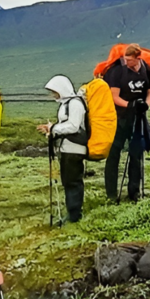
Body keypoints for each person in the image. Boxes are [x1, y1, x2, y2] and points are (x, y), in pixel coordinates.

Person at [103, 44, 150, 202]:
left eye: (130, 60)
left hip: (138, 118)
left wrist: (146, 104)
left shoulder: (147, 69)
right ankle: (111, 194)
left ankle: (135, 192)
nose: (127, 62)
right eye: (125, 59)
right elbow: (114, 96)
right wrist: (130, 105)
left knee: (136, 154)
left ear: (138, 58)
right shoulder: (117, 71)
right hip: (118, 118)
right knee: (113, 154)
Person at [39, 75, 88, 224]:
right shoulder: (67, 103)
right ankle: (72, 212)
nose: (53, 94)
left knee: (72, 182)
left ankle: (74, 215)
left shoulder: (74, 104)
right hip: (68, 149)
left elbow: (73, 126)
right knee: (68, 181)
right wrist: (53, 129)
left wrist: (54, 128)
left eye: (55, 91)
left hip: (75, 149)